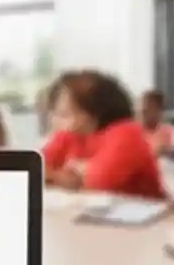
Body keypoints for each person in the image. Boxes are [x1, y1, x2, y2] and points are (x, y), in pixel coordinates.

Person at [42, 71, 165, 199]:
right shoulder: (69, 135)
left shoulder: (127, 133)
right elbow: (35, 169)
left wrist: (64, 177)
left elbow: (100, 183)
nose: (54, 121)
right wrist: (74, 175)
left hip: (145, 215)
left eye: (64, 114)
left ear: (92, 113)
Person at [139, 90, 174, 156]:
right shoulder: (134, 134)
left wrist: (164, 151)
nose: (143, 110)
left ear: (160, 110)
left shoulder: (172, 132)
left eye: (150, 107)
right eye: (142, 107)